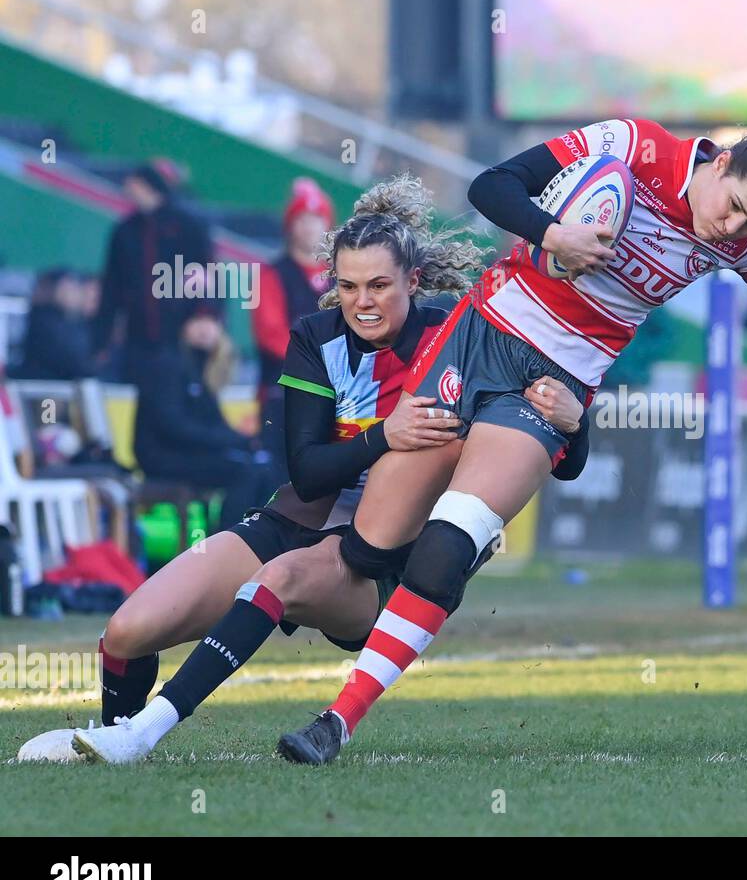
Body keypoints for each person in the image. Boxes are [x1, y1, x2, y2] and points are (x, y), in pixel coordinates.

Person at [276, 119, 747, 765]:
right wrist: (555, 234)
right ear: (720, 164)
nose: (734, 229)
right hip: (477, 334)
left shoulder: (746, 244)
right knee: (367, 547)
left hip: (552, 384)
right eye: (735, 208)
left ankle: (337, 722)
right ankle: (327, 584)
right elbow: (495, 185)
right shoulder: (632, 146)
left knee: (445, 545)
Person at [18, 176, 590, 763]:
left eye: (378, 286)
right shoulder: (316, 338)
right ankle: (115, 737)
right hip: (298, 517)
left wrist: (577, 424)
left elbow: (556, 457)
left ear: (413, 283)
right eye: (347, 286)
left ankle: (143, 735)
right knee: (126, 631)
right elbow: (309, 471)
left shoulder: (461, 333)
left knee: (281, 580)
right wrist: (383, 435)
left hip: (380, 558)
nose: (361, 301)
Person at [132, 310, 278, 531]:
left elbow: (213, 422)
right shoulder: (167, 363)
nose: (205, 328)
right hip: (164, 456)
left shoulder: (200, 368)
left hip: (191, 453)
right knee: (246, 471)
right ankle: (226, 544)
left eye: (212, 321)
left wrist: (245, 441)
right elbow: (174, 426)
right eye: (197, 319)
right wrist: (233, 441)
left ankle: (256, 541)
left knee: (264, 468)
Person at [94, 162, 216, 381]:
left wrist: (205, 317)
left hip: (181, 336)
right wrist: (101, 339)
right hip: (138, 338)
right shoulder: (125, 231)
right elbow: (112, 287)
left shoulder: (188, 225)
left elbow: (208, 276)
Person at [251, 178, 336, 479]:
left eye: (317, 219)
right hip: (283, 394)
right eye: (302, 219)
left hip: (336, 396)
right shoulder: (271, 274)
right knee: (281, 478)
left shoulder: (341, 276)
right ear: (290, 226)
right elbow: (271, 335)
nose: (310, 227)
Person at [14, 270, 97, 380]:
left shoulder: (78, 322)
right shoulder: (43, 320)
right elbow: (74, 360)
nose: (73, 294)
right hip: (44, 388)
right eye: (68, 288)